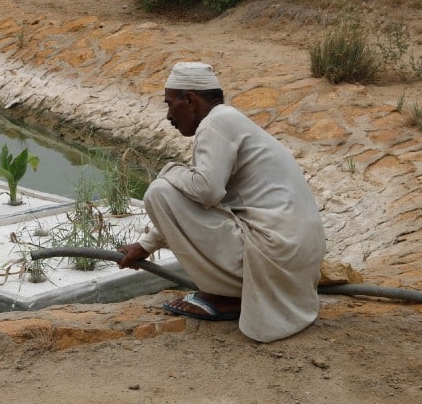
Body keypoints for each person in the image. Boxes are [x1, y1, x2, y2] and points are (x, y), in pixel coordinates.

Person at [118, 61, 326, 342]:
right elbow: (197, 197)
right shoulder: (227, 120)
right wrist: (145, 246)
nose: (168, 115)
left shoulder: (216, 123)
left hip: (275, 253)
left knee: (158, 191)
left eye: (170, 104)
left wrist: (168, 170)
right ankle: (233, 291)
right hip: (294, 256)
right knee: (168, 190)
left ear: (189, 100)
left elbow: (206, 192)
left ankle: (227, 296)